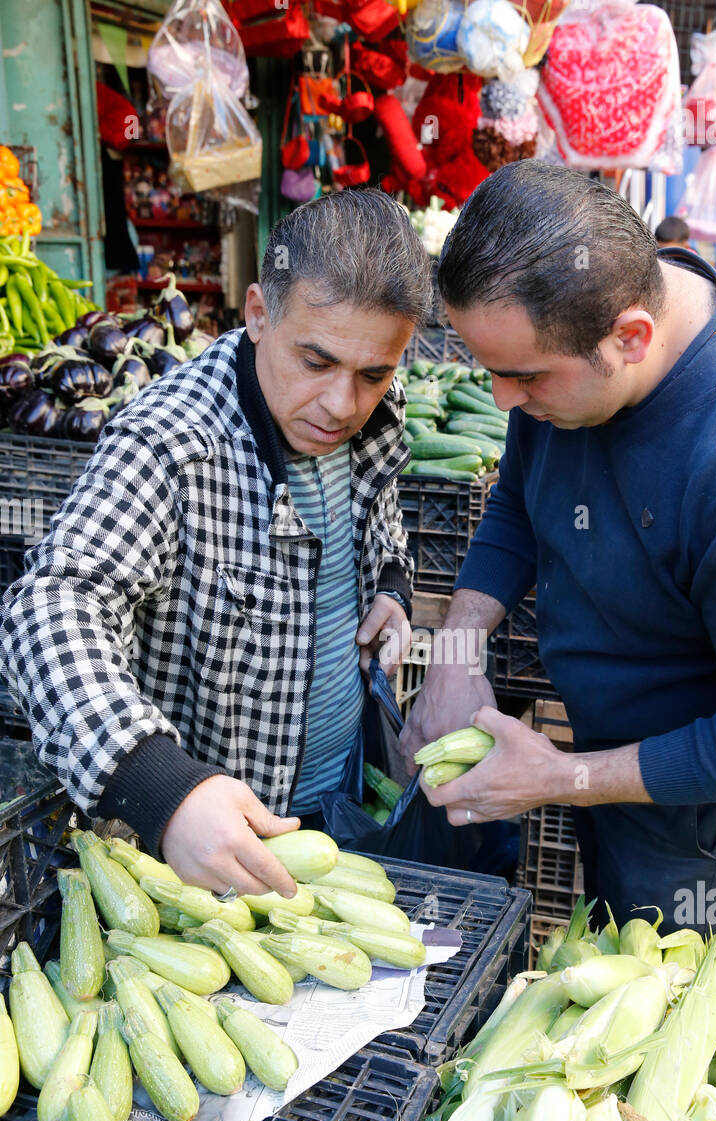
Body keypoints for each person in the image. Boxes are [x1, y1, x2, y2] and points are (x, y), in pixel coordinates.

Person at [401, 161, 716, 934]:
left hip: (696, 802)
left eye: (523, 379)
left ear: (631, 337)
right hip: (595, 732)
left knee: (661, 964)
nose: (503, 401)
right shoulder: (580, 322)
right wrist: (457, 646)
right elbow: (518, 495)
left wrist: (567, 776)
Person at [0, 190, 428, 899]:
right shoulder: (171, 440)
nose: (342, 405)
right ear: (258, 314)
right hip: (211, 854)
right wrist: (161, 789)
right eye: (316, 363)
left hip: (341, 799)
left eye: (373, 374)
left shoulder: (369, 399)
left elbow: (381, 506)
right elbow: (49, 607)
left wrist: (391, 584)